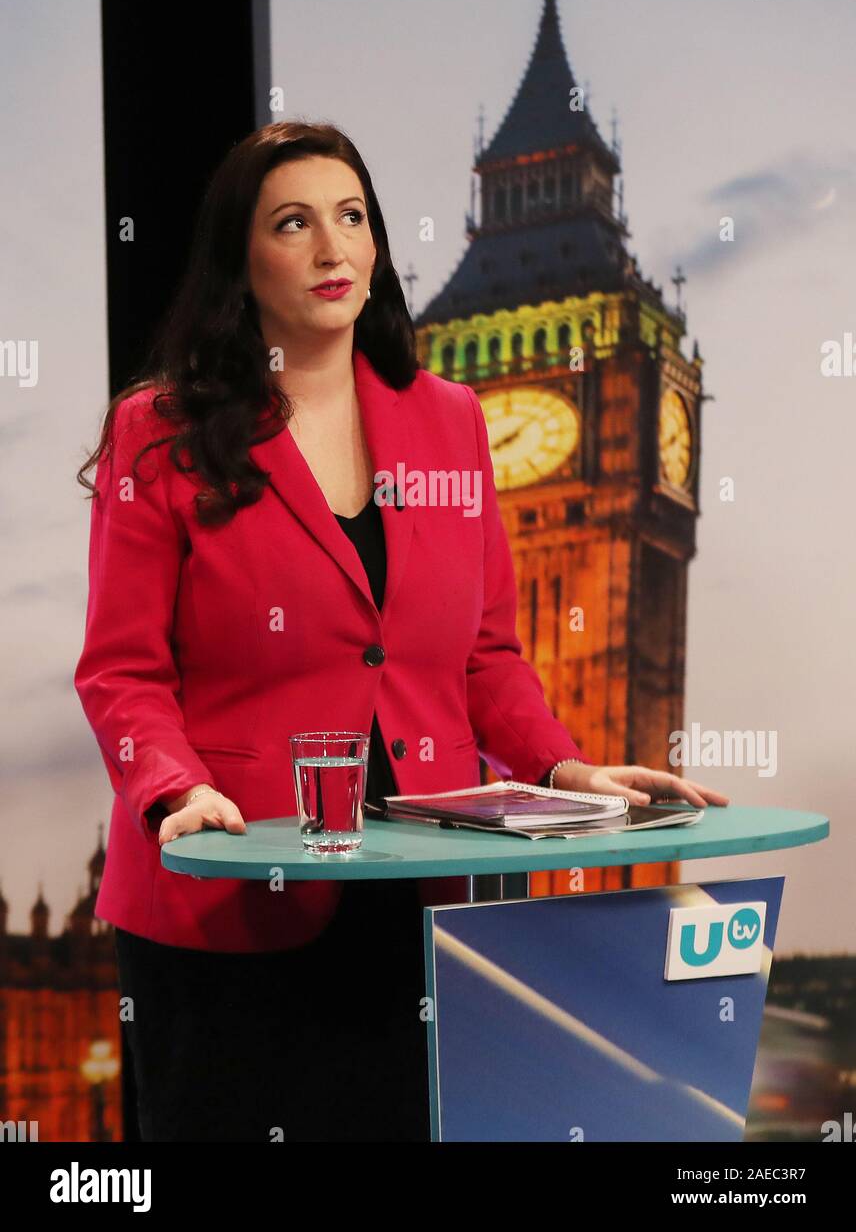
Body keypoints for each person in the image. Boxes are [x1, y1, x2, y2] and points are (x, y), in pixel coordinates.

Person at [74, 120, 729, 1142]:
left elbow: (483, 654)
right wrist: (174, 786)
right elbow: (121, 671)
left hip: (415, 893)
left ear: (377, 245)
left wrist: (563, 768)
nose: (333, 248)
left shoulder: (453, 421)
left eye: (352, 218)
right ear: (240, 261)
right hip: (233, 883)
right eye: (295, 223)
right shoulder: (157, 431)